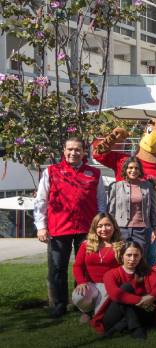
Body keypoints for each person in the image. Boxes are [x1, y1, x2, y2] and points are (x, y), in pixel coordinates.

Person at [34, 136, 107, 318]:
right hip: (59, 228)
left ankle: (79, 302)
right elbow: (41, 201)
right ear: (64, 151)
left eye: (77, 150)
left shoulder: (94, 173)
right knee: (59, 268)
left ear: (84, 152)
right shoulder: (51, 171)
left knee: (84, 267)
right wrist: (41, 226)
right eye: (70, 149)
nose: (73, 153)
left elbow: (101, 202)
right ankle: (60, 304)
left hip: (87, 229)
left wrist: (99, 225)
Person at [91, 241, 156, 340]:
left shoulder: (148, 272)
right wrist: (139, 301)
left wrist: (151, 297)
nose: (132, 259)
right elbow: (115, 294)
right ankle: (136, 328)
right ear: (122, 256)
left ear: (141, 256)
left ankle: (117, 328)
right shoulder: (111, 274)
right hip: (115, 317)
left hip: (144, 315)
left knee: (153, 296)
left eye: (136, 255)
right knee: (126, 288)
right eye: (128, 255)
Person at [72, 213, 124, 323]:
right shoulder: (86, 245)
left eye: (107, 225)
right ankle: (87, 310)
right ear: (95, 228)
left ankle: (97, 309)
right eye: (99, 226)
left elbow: (123, 270)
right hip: (90, 285)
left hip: (109, 285)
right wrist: (81, 282)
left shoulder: (121, 246)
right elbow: (77, 266)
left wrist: (115, 287)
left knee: (103, 317)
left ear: (114, 226)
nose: (104, 229)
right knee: (79, 296)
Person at [106, 157, 156, 253]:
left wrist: (155, 229)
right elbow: (110, 211)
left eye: (136, 168)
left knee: (140, 258)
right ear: (125, 169)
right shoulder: (115, 186)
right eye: (130, 168)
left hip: (141, 229)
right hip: (120, 229)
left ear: (140, 170)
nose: (133, 170)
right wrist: (110, 228)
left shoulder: (148, 186)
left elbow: (153, 209)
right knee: (120, 257)